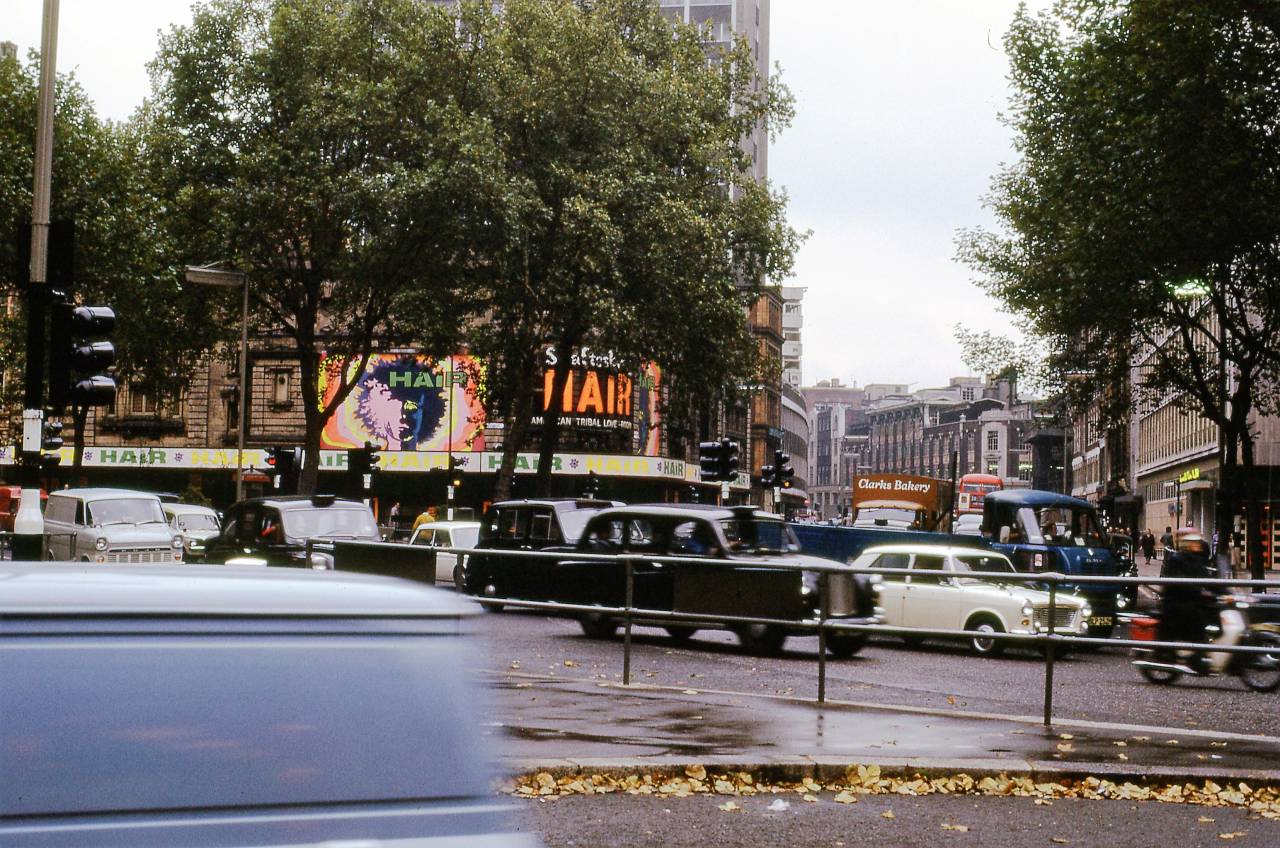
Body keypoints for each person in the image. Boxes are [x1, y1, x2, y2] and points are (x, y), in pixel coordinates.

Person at [1157, 527, 1218, 666]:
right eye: (1194, 543)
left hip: (1190, 599)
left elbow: (1207, 578)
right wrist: (1200, 592)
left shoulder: (1196, 560)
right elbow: (1180, 583)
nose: (1198, 545)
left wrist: (1224, 591)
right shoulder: (1177, 559)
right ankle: (1197, 656)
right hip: (1177, 601)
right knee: (1198, 618)